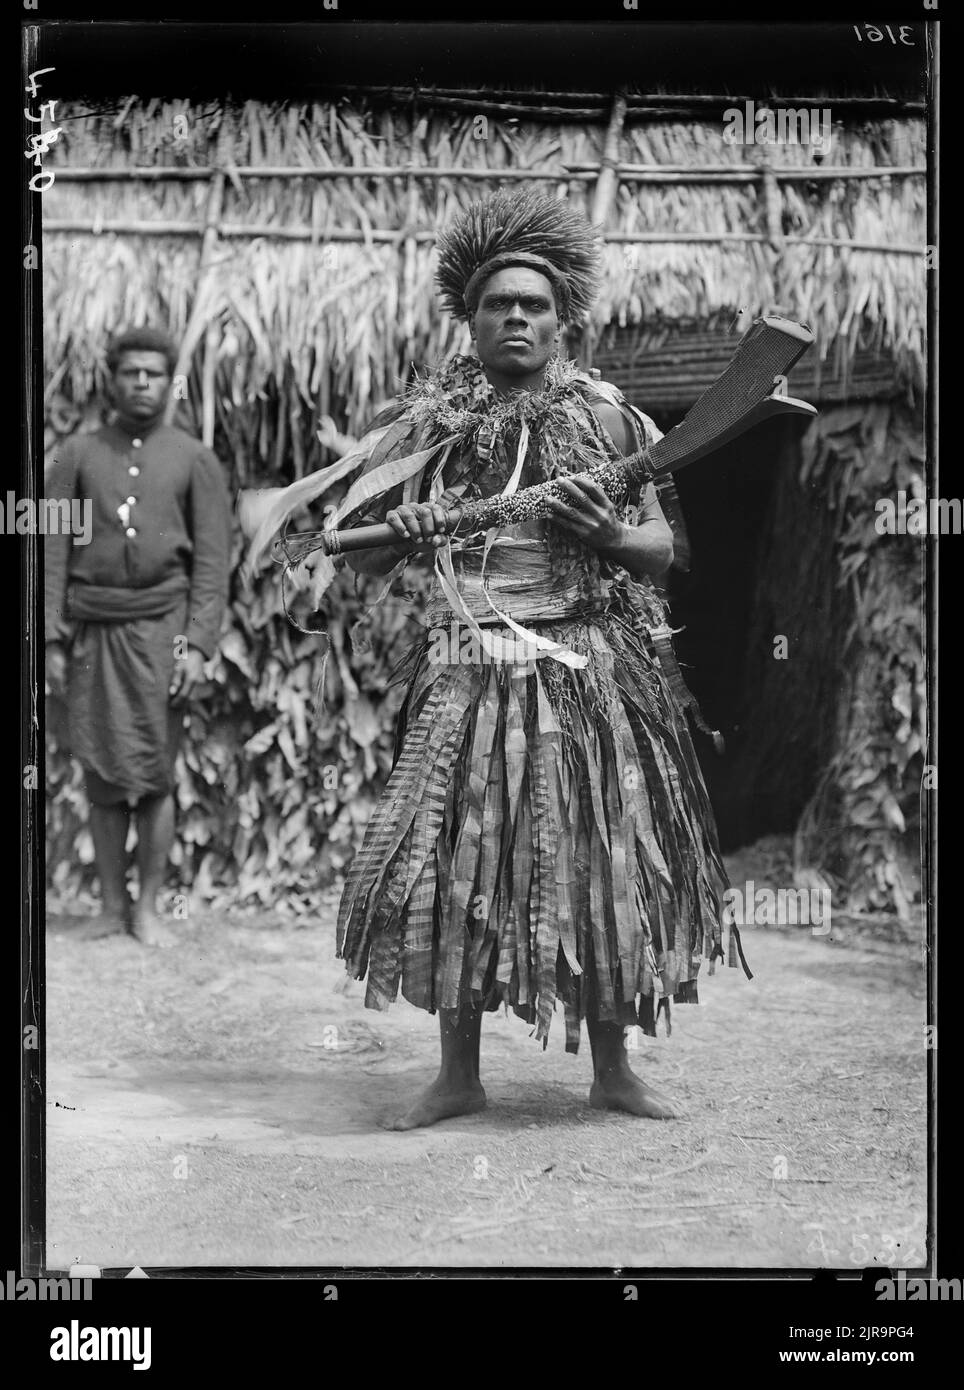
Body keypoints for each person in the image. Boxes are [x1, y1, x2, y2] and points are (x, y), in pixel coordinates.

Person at [246, 189, 745, 1127]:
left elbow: (666, 554)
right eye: (497, 305)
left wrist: (610, 535)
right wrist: (414, 527)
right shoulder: (425, 428)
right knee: (457, 863)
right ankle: (457, 1075)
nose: (516, 317)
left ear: (564, 323)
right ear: (468, 320)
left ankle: (612, 1070)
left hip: (587, 673)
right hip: (467, 670)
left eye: (534, 306)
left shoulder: (612, 424)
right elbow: (378, 549)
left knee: (600, 862)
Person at [45, 327, 232, 947]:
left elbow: (211, 563)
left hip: (163, 633)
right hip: (92, 634)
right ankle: (108, 906)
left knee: (153, 774)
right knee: (99, 773)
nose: (143, 383)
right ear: (114, 379)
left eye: (155, 373)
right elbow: (47, 554)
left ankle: (148, 909)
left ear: (169, 380)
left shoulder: (194, 459)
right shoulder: (73, 457)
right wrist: (48, 638)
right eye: (132, 373)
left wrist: (198, 646)